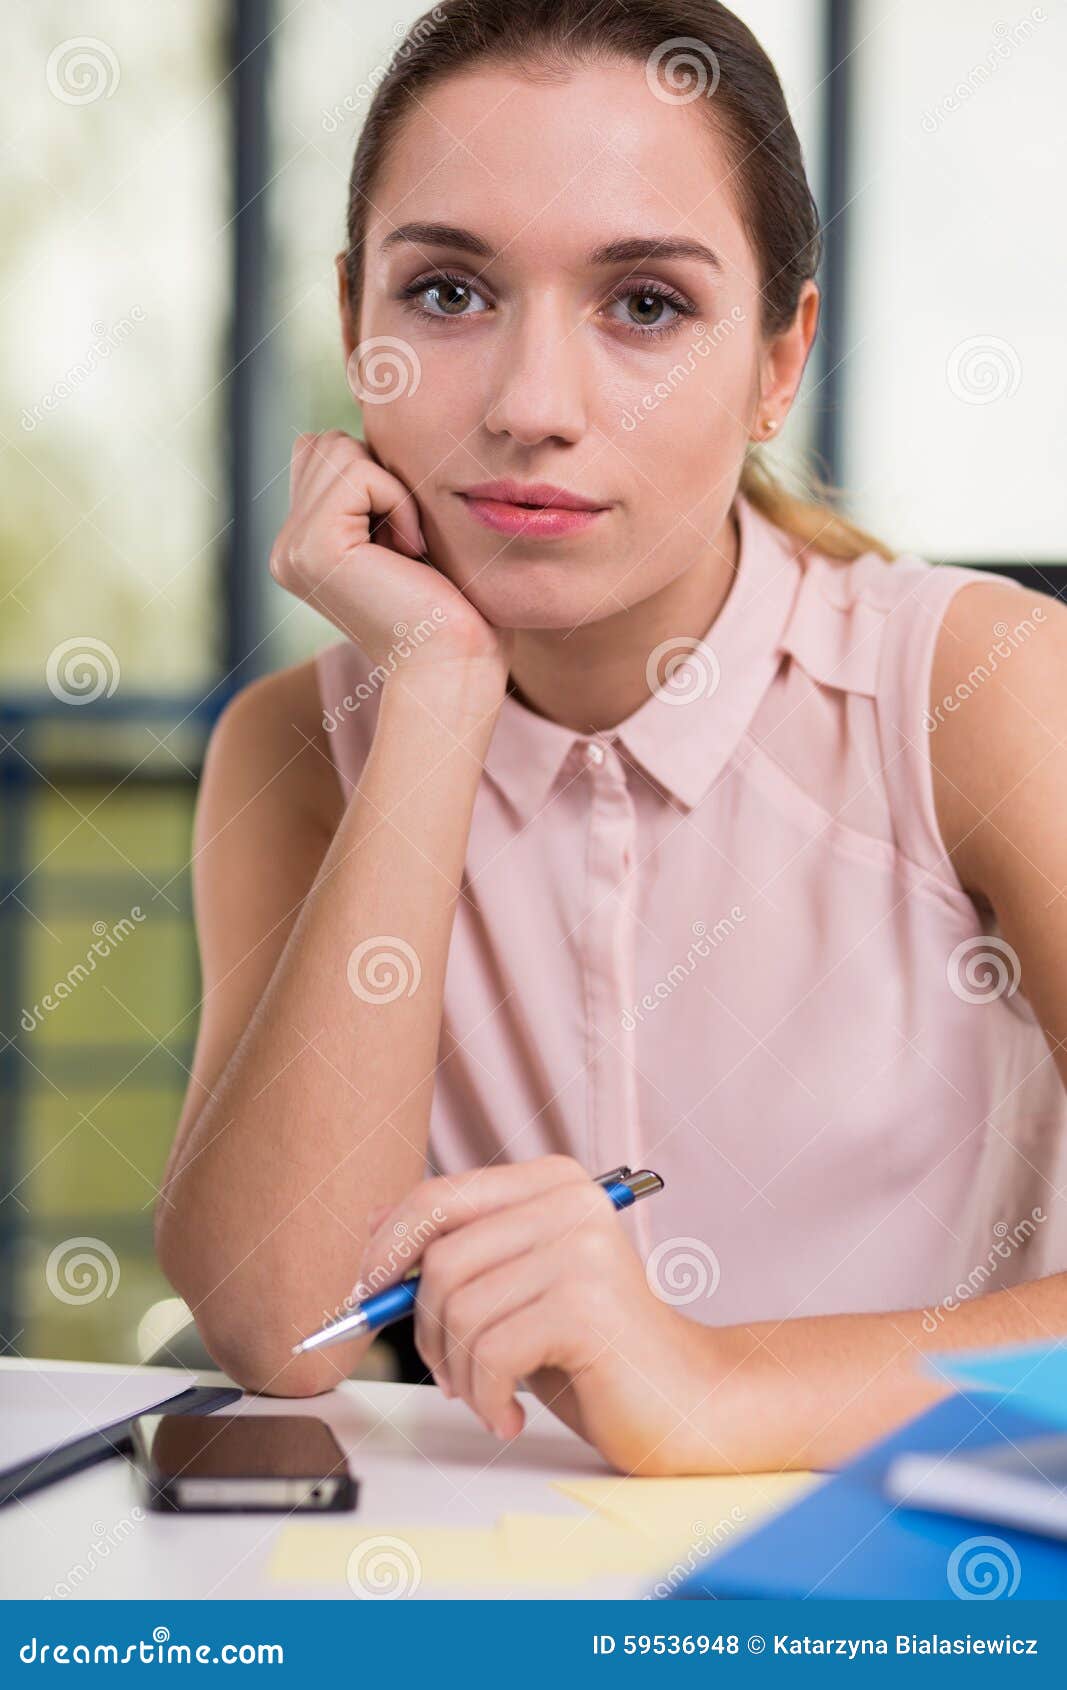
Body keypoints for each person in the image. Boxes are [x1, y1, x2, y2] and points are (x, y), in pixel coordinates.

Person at [156, 0, 1067, 1477]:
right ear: (356, 327)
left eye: (645, 305)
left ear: (780, 360)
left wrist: (712, 1389)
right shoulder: (301, 747)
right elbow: (283, 1320)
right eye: (447, 293)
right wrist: (438, 692)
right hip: (522, 1572)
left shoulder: (978, 687)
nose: (532, 406)